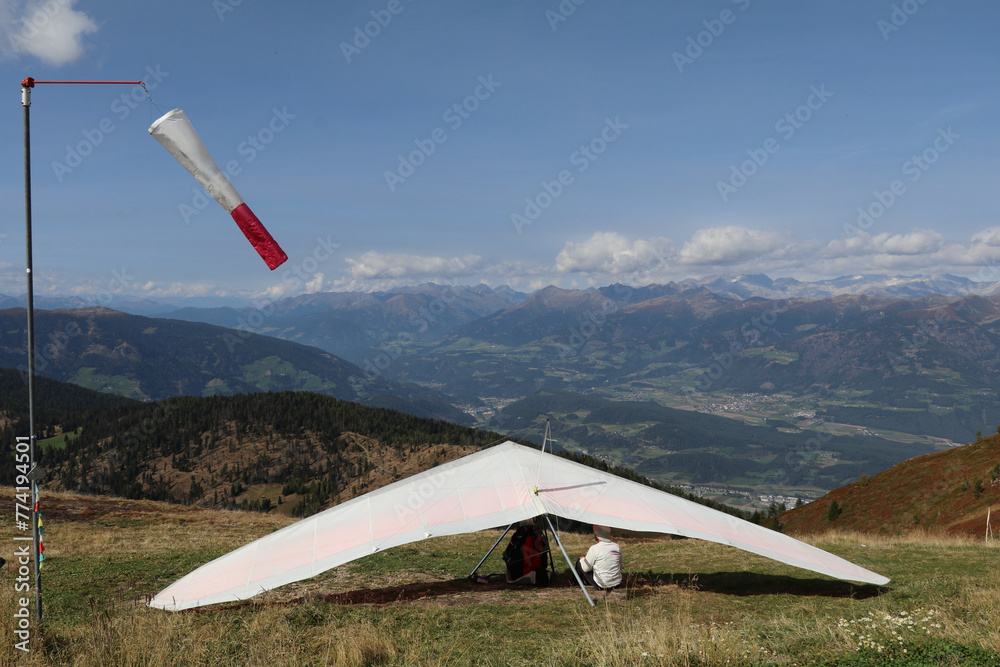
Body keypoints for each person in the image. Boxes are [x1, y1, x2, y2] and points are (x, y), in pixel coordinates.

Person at [502, 519, 550, 586]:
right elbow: (546, 549)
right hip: (535, 570)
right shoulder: (538, 533)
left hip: (523, 572)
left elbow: (507, 554)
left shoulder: (520, 534)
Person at [575, 525, 622, 589]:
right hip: (617, 584)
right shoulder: (616, 547)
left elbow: (586, 568)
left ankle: (575, 583)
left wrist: (582, 559)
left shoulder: (594, 548)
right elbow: (620, 566)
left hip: (601, 585)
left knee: (580, 562)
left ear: (598, 535)